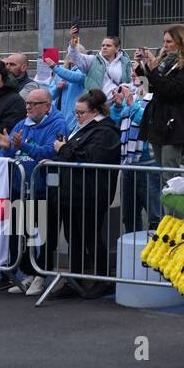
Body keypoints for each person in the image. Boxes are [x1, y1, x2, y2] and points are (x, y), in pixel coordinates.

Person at [0, 88, 68, 296]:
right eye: (28, 103)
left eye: (34, 104)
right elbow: (8, 150)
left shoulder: (58, 124)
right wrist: (7, 147)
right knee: (20, 233)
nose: (28, 107)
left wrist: (23, 146)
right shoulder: (21, 124)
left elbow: (51, 151)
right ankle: (28, 273)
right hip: (21, 188)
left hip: (43, 189)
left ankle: (41, 276)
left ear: (47, 105)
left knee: (43, 236)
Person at [53, 89, 122, 298]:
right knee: (73, 236)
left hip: (91, 193)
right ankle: (74, 279)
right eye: (76, 112)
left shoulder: (106, 131)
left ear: (94, 111)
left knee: (91, 237)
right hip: (73, 192)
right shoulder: (85, 128)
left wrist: (63, 149)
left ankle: (102, 279)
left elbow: (92, 158)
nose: (77, 116)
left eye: (81, 112)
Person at [134, 24, 184, 171]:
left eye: (169, 42)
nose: (164, 45)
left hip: (174, 123)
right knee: (160, 171)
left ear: (181, 42)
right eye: (164, 41)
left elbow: (172, 90)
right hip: (157, 120)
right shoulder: (163, 61)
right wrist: (142, 67)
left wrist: (153, 71)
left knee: (169, 172)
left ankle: (174, 194)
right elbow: (146, 89)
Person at [113, 83, 160, 234]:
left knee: (155, 217)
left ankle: (156, 253)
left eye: (137, 71)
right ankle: (132, 253)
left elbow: (149, 124)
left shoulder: (157, 98)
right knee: (129, 216)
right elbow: (116, 124)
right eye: (132, 72)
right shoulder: (132, 101)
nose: (133, 75)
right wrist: (119, 106)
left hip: (149, 167)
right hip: (129, 166)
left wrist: (131, 104)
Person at [67, 27, 127, 100]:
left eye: (108, 45)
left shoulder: (125, 64)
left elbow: (129, 84)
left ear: (117, 48)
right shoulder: (92, 60)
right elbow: (75, 56)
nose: (104, 47)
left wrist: (121, 92)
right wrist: (74, 42)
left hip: (116, 105)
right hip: (95, 105)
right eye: (103, 45)